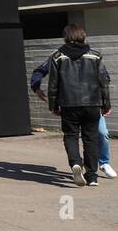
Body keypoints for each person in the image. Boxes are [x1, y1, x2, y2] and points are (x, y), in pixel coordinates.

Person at [46, 24, 112, 186]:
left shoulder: (57, 56)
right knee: (91, 139)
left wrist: (53, 105)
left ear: (66, 37)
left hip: (68, 104)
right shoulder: (95, 55)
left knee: (71, 136)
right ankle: (92, 176)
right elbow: (103, 81)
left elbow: (53, 83)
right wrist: (106, 104)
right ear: (83, 36)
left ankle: (75, 163)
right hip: (92, 103)